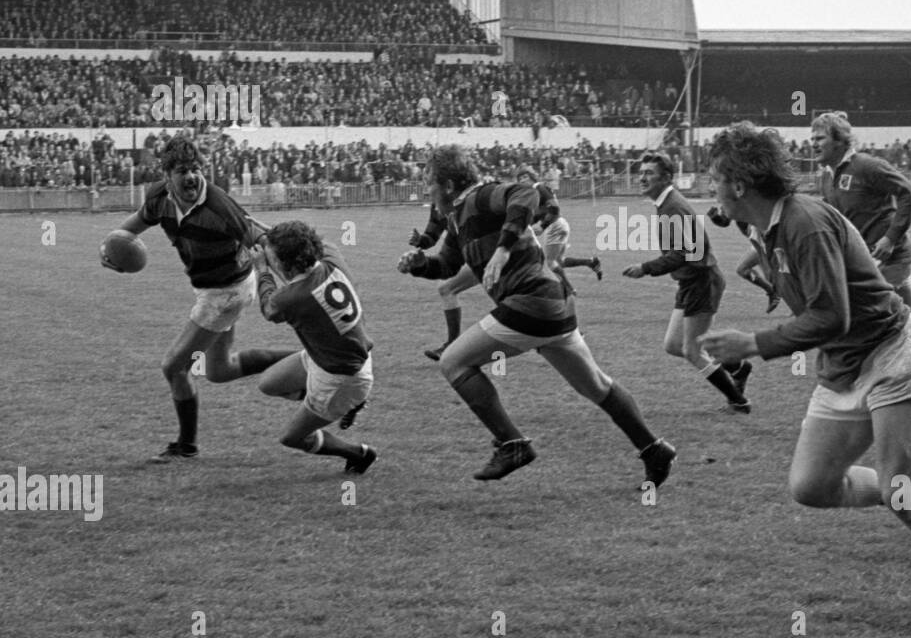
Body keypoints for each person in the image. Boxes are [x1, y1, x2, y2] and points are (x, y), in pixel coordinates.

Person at [699, 124, 911, 638]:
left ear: (739, 184)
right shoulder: (768, 225)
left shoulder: (803, 222)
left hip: (893, 352)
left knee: (900, 489)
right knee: (811, 486)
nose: (710, 189)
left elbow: (831, 316)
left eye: (715, 178)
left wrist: (753, 343)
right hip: (845, 364)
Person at [397, 145, 674, 485]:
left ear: (450, 185)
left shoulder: (479, 197)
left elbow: (526, 192)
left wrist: (502, 249)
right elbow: (447, 266)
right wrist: (419, 265)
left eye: (430, 182)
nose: (427, 190)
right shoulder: (458, 219)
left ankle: (513, 444)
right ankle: (654, 448)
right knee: (598, 387)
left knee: (453, 361)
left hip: (530, 303)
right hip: (552, 306)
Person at [100, 135, 296, 462]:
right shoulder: (158, 199)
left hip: (227, 291)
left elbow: (259, 240)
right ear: (167, 176)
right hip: (212, 287)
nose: (191, 176)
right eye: (182, 170)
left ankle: (186, 446)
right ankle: (303, 360)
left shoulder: (218, 205)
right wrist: (112, 252)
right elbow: (127, 231)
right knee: (220, 369)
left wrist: (293, 279)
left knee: (174, 367)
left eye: (195, 169)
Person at [809, 113, 911, 426]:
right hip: (865, 263)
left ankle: (865, 395)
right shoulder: (827, 176)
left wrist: (890, 238)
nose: (813, 142)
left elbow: (909, 193)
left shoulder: (867, 166)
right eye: (813, 136)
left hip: (890, 260)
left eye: (820, 137)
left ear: (839, 140)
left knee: (871, 325)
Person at [623, 152, 752, 413]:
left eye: (649, 172)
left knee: (691, 350)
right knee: (674, 345)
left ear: (667, 177)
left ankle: (738, 401)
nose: (642, 177)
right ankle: (737, 366)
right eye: (642, 172)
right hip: (691, 282)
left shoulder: (672, 206)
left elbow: (684, 253)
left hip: (701, 280)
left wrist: (645, 268)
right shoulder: (665, 203)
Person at [251, 221, 377, 474]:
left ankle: (359, 453)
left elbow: (269, 308)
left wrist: (262, 270)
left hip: (342, 378)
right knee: (268, 384)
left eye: (274, 259)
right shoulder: (331, 256)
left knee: (291, 437)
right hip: (335, 357)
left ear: (286, 264)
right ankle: (342, 405)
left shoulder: (294, 298)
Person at [409, 198, 477, 362]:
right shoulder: (437, 204)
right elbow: (431, 236)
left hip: (490, 252)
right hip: (477, 255)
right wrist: (420, 240)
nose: (427, 185)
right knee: (446, 288)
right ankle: (453, 345)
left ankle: (453, 346)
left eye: (430, 179)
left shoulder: (469, 200)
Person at [707, 205, 781, 313]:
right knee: (748, 271)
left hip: (765, 242)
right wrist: (714, 217)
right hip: (757, 243)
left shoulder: (746, 200)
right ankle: (777, 294)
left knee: (770, 276)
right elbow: (725, 221)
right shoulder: (730, 200)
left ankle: (791, 299)